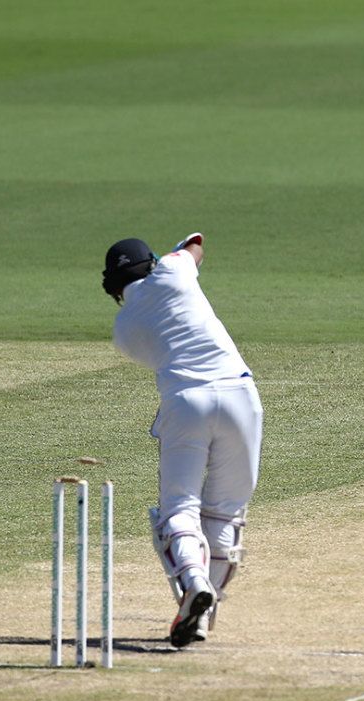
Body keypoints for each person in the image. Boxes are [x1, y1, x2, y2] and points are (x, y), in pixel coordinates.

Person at [101, 233, 263, 647]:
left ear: (114, 288)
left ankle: (193, 585)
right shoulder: (174, 270)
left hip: (185, 403)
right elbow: (197, 242)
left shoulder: (124, 330)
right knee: (225, 514)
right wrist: (174, 255)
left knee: (179, 511)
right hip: (242, 397)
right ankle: (203, 616)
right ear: (152, 262)